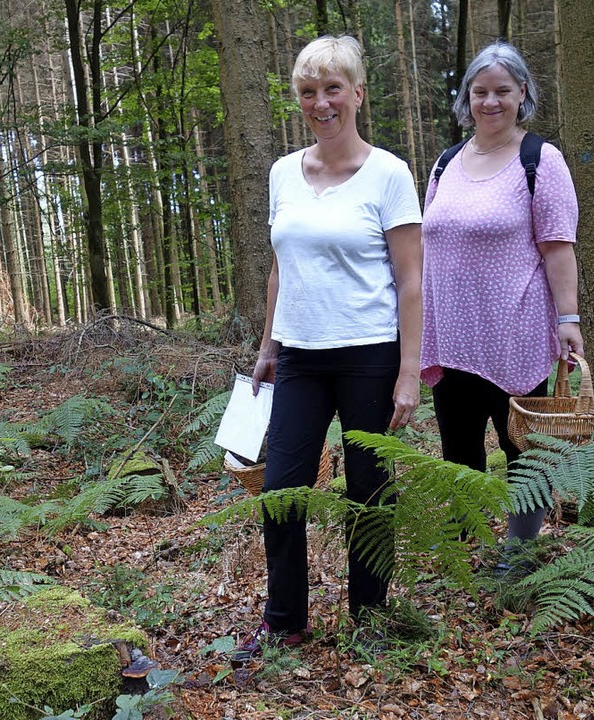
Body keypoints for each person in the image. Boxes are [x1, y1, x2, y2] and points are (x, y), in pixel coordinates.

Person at [231, 35, 423, 663]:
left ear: (358, 94)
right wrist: (267, 347)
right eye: (308, 92)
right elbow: (280, 270)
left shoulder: (390, 174)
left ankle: (369, 617)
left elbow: (411, 281)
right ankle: (285, 620)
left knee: (369, 491)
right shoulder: (283, 173)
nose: (321, 102)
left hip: (370, 354)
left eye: (332, 89)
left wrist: (409, 373)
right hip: (300, 358)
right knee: (282, 487)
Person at [420, 42, 583, 572]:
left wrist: (568, 319)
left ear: (522, 95)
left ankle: (519, 552)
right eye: (480, 91)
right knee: (459, 448)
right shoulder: (446, 163)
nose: (490, 101)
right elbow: (425, 246)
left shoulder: (540, 159)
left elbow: (558, 246)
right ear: (468, 97)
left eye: (502, 91)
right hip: (452, 333)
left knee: (523, 451)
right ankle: (464, 542)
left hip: (517, 330)